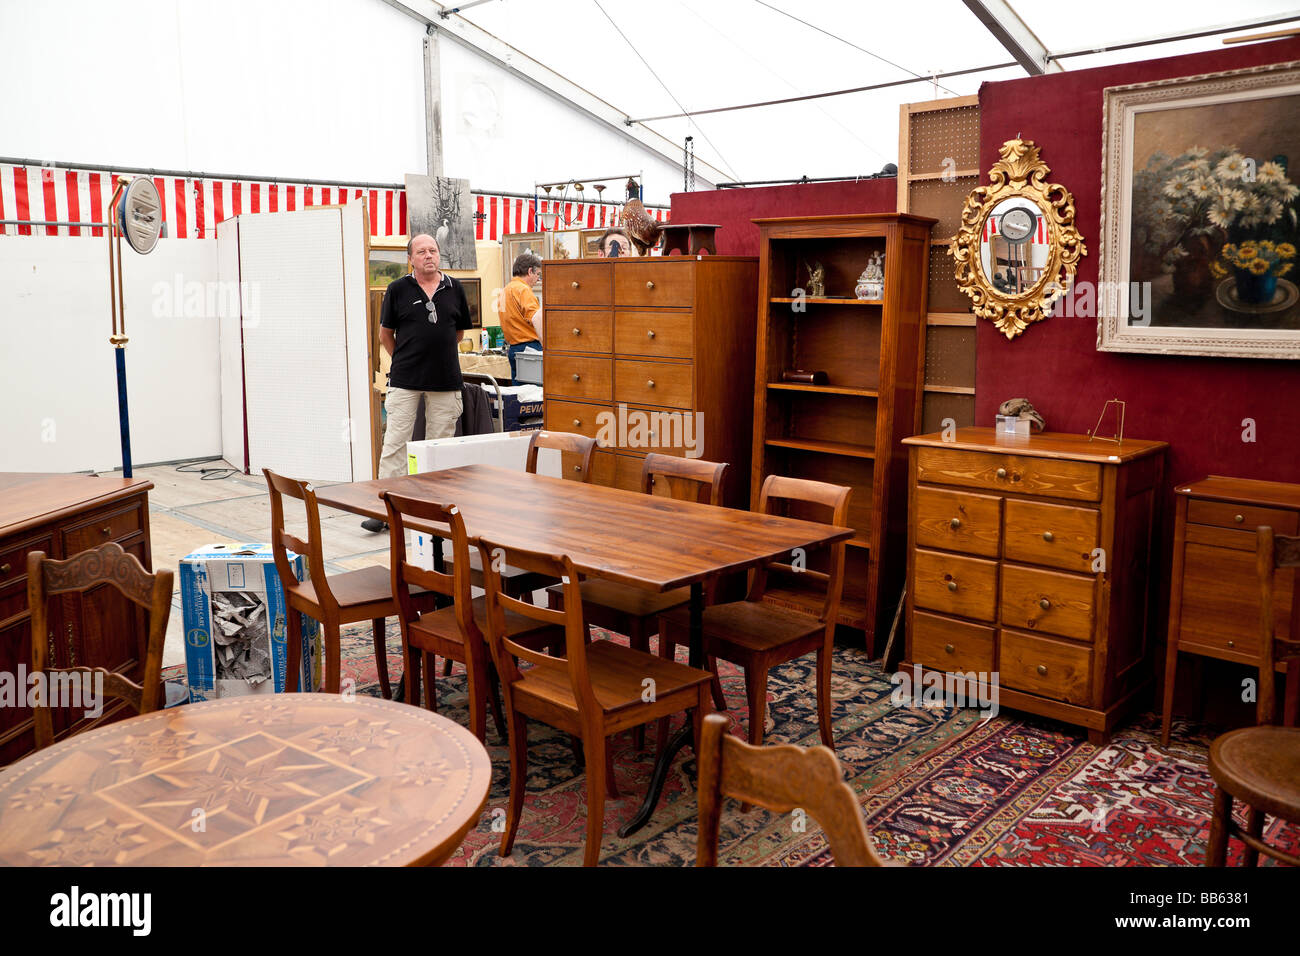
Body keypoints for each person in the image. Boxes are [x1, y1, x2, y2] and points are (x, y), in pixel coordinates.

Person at [361, 233, 471, 532]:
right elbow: (386, 334)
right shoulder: (397, 289)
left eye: (432, 250)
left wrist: (436, 352)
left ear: (439, 254)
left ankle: (435, 508)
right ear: (411, 258)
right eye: (421, 251)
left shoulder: (455, 288)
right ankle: (385, 510)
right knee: (395, 444)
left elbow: (457, 333)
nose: (428, 256)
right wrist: (406, 358)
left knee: (439, 446)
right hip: (405, 379)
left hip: (445, 379)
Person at [499, 252, 543, 384]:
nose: (537, 279)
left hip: (513, 349)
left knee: (519, 396)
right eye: (538, 274)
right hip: (530, 349)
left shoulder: (504, 291)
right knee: (534, 397)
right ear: (530, 271)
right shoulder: (523, 290)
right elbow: (536, 318)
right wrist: (546, 345)